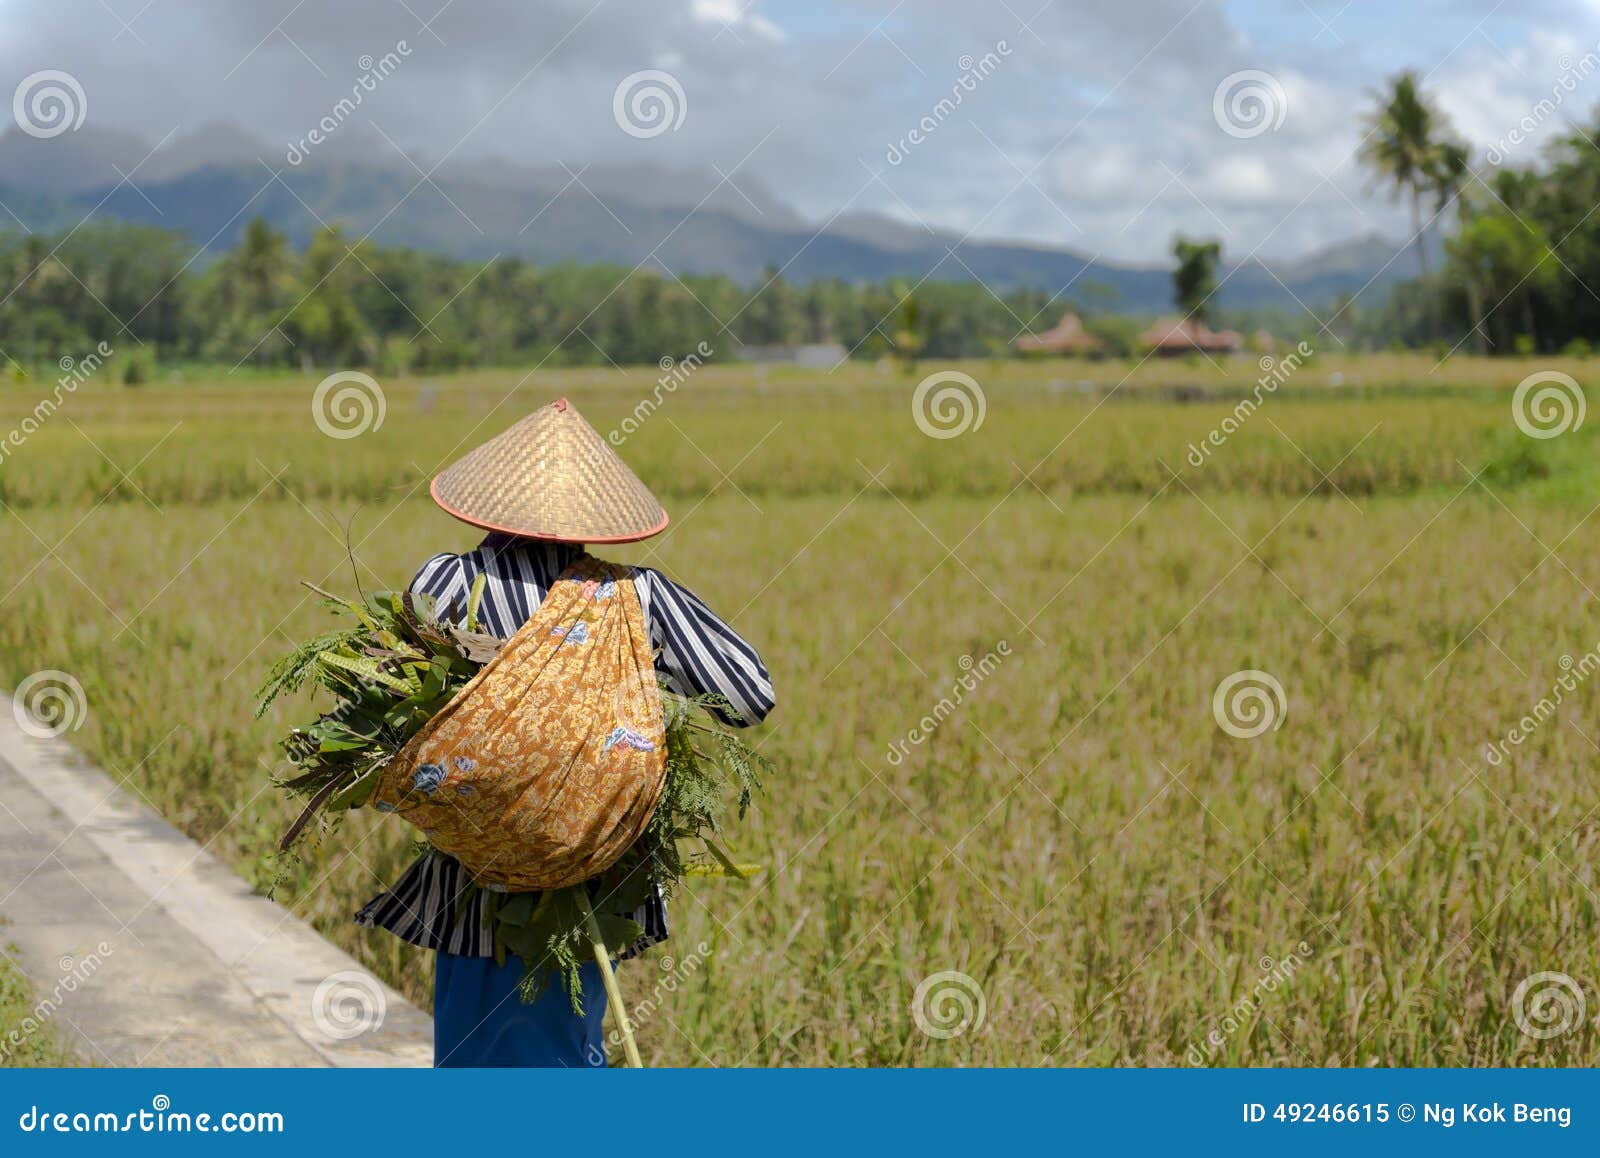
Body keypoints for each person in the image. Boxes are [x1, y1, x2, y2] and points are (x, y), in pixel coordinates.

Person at [356, 397, 774, 1068]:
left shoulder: (443, 581)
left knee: (470, 1068)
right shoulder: (639, 599)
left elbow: (399, 710)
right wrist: (628, 698)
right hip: (590, 885)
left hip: (473, 882)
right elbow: (750, 696)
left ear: (488, 505)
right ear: (595, 519)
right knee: (563, 1056)